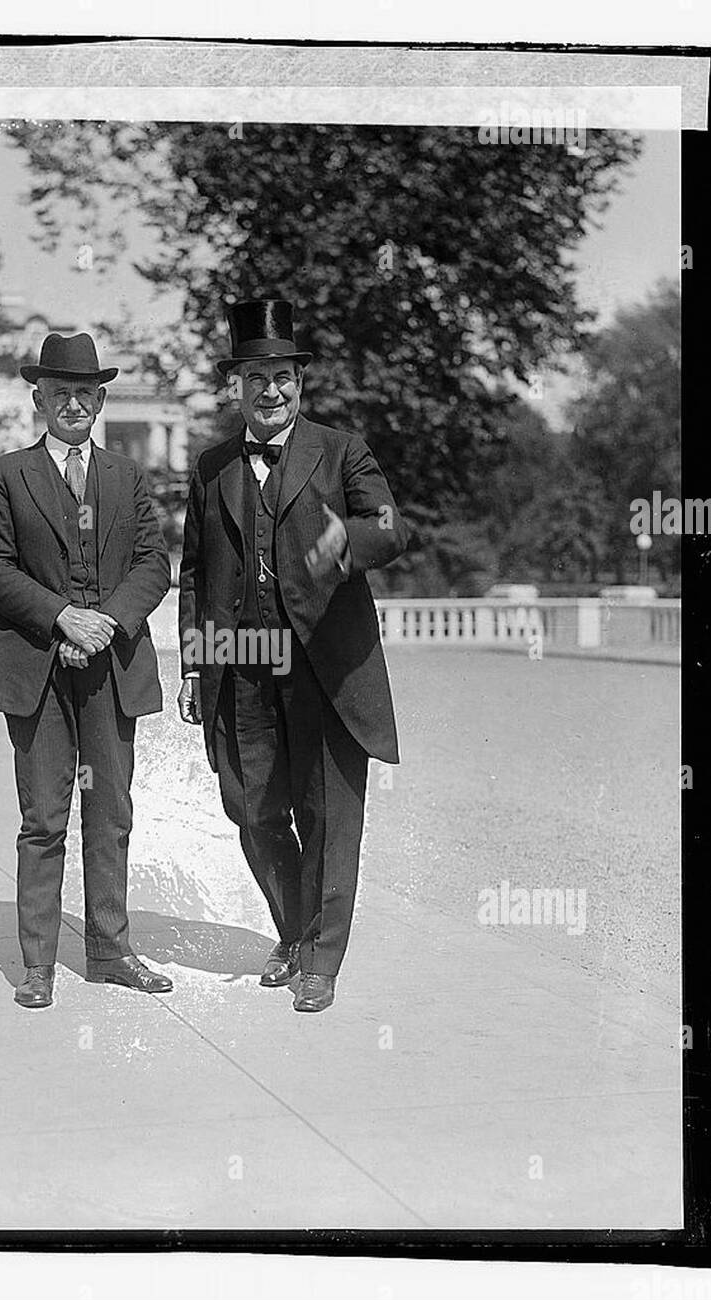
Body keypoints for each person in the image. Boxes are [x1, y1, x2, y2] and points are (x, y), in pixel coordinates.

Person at [178, 299, 410, 1013]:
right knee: (252, 808)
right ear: (236, 387)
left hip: (324, 667)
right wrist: (194, 660)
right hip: (240, 664)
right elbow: (194, 570)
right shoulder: (213, 465)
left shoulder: (341, 451)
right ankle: (293, 928)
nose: (271, 390)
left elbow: (389, 524)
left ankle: (321, 960)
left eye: (283, 376)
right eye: (256, 378)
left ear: (299, 382)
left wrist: (350, 544)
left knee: (330, 815)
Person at [0, 331, 172, 1008]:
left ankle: (111, 953)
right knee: (44, 819)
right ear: (39, 400)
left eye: (85, 392)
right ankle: (39, 967)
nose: (74, 403)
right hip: (36, 669)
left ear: (101, 399)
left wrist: (104, 620)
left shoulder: (126, 477)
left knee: (110, 814)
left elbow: (154, 565)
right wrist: (62, 618)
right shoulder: (7, 474)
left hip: (111, 664)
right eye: (61, 393)